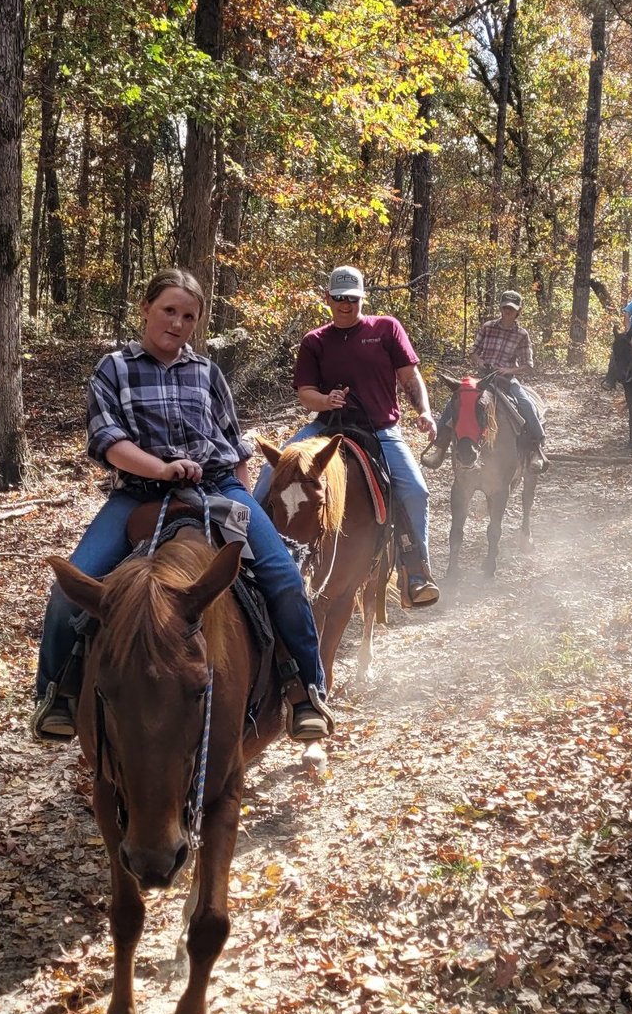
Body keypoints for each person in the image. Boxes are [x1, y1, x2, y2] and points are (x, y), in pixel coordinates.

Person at [32, 268, 331, 745]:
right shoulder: (114, 368)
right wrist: (162, 469)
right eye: (168, 311)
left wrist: (242, 504)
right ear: (146, 309)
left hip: (217, 487)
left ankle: (305, 691)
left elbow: (233, 446)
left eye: (188, 317)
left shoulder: (207, 372)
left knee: (284, 577)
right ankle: (57, 693)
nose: (177, 323)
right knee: (72, 587)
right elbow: (109, 442)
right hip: (139, 493)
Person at [256, 265, 441, 607]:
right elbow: (306, 393)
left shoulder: (386, 329)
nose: (346, 304)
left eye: (352, 298)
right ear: (327, 298)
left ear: (362, 299)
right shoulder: (315, 341)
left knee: (415, 490)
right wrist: (325, 400)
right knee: (272, 472)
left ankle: (416, 572)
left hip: (380, 429)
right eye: (339, 298)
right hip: (327, 426)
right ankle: (255, 557)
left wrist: (424, 412)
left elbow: (410, 377)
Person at [423, 288, 547, 470]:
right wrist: (480, 362)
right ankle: (440, 448)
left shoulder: (522, 335)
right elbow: (473, 352)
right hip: (481, 378)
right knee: (454, 402)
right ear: (500, 308)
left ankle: (536, 449)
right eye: (505, 307)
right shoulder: (488, 326)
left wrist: (508, 369)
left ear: (518, 311)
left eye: (511, 308)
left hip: (506, 380)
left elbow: (528, 365)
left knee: (526, 404)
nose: (507, 311)